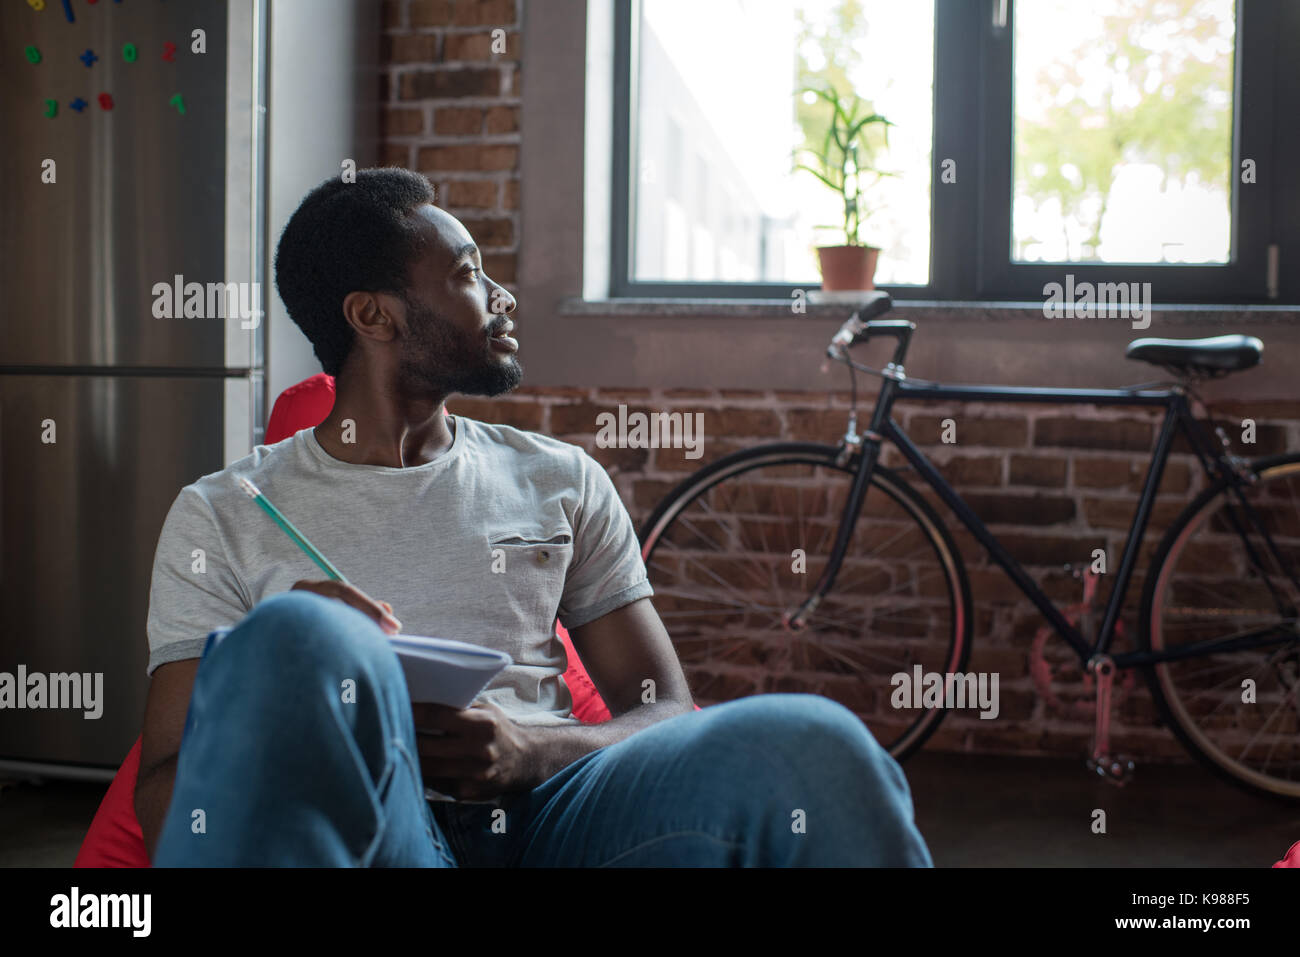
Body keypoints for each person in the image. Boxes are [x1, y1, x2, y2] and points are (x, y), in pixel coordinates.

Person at [136, 167, 932, 867]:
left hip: (561, 814)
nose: (502, 295)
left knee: (820, 745)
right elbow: (166, 799)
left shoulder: (558, 475)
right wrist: (283, 667)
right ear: (374, 318)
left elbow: (661, 706)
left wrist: (531, 750)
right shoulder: (222, 515)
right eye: (470, 272)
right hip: (385, 829)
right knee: (309, 634)